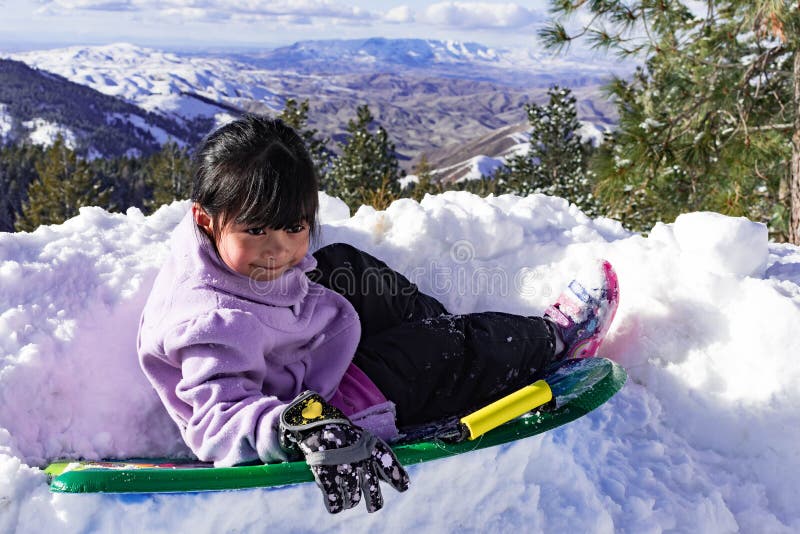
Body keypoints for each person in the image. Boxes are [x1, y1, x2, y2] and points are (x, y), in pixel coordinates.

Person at [137, 115, 619, 514]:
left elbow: (279, 248)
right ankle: (551, 339)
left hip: (293, 344)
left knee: (348, 265)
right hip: (319, 413)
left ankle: (456, 352)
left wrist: (266, 240)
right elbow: (217, 422)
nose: (279, 249)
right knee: (435, 351)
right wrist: (300, 426)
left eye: (295, 226)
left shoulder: (219, 246)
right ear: (205, 217)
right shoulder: (210, 322)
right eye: (257, 230)